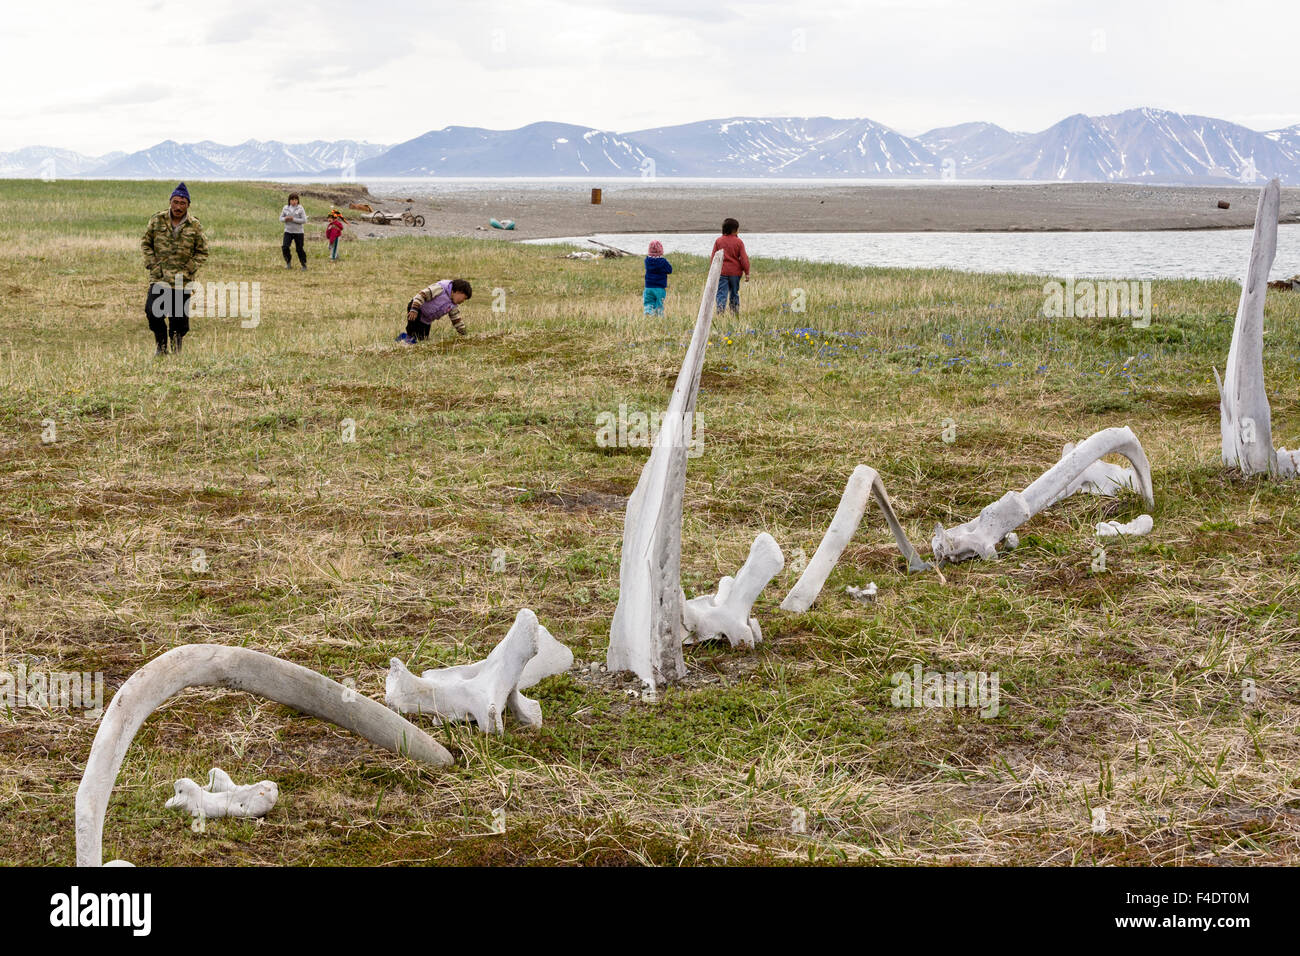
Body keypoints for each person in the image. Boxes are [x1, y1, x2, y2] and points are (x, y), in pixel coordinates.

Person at [141, 182, 208, 356]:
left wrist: (188, 270)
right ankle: (161, 347)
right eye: (176, 202)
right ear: (170, 201)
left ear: (188, 205)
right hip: (159, 277)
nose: (178, 207)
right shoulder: (157, 220)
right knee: (153, 312)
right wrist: (153, 265)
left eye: (182, 203)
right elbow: (146, 244)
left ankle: (176, 349)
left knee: (178, 320)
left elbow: (202, 251)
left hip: (182, 280)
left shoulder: (194, 225)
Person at [396, 279, 473, 343]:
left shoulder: (453, 305)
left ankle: (402, 338)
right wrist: (414, 309)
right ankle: (403, 344)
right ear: (459, 292)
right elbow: (422, 294)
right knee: (413, 335)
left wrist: (464, 334)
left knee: (422, 340)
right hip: (416, 309)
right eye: (464, 298)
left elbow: (456, 320)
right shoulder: (440, 288)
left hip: (426, 320)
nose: (463, 301)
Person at [710, 217, 750, 314]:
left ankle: (720, 311)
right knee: (734, 293)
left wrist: (712, 271)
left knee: (721, 293)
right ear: (734, 230)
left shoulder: (718, 241)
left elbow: (714, 257)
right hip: (735, 273)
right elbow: (744, 258)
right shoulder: (739, 242)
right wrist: (747, 272)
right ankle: (734, 311)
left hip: (722, 272)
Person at [643, 240, 672, 316]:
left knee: (648, 302)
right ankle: (658, 317)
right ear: (661, 251)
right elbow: (670, 270)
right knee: (659, 304)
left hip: (648, 287)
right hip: (659, 288)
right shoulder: (663, 261)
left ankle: (648, 313)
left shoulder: (647, 261)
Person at [280, 193, 307, 269]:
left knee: (299, 249)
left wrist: (293, 219)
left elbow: (304, 220)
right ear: (289, 200)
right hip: (288, 231)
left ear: (298, 200)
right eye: (292, 200)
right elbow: (280, 218)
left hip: (299, 232)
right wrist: (285, 219)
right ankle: (288, 262)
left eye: (296, 200)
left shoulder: (300, 208)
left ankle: (303, 264)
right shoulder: (285, 208)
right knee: (285, 247)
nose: (294, 201)